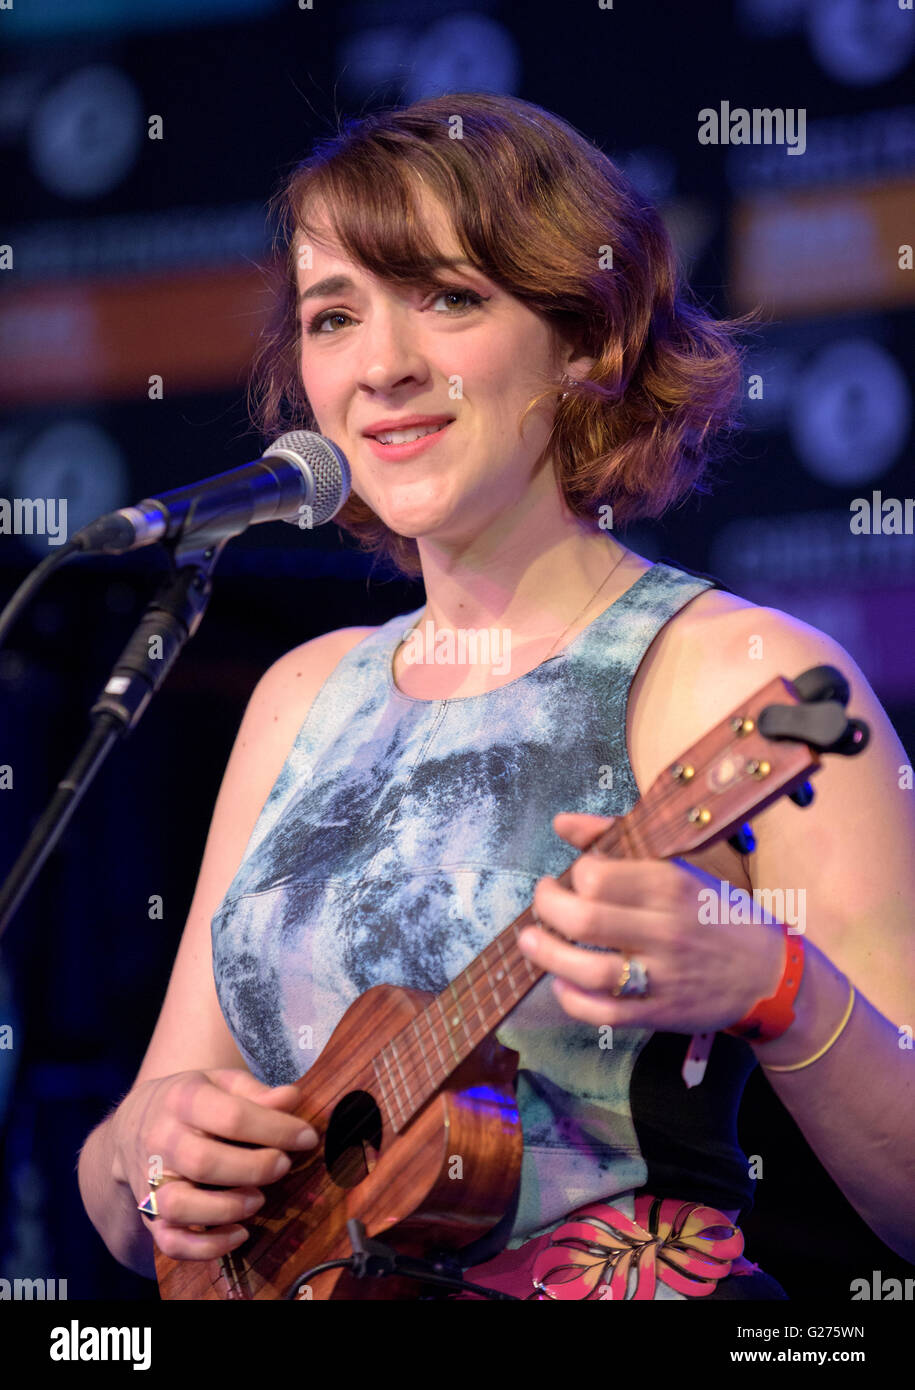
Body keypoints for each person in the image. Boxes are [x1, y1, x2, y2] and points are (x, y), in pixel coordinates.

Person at [78, 92, 915, 1301]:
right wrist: (154, 1161)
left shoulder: (745, 676)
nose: (383, 366)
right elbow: (126, 1181)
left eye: (450, 298)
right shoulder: (301, 696)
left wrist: (778, 985)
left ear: (586, 339)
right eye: (333, 316)